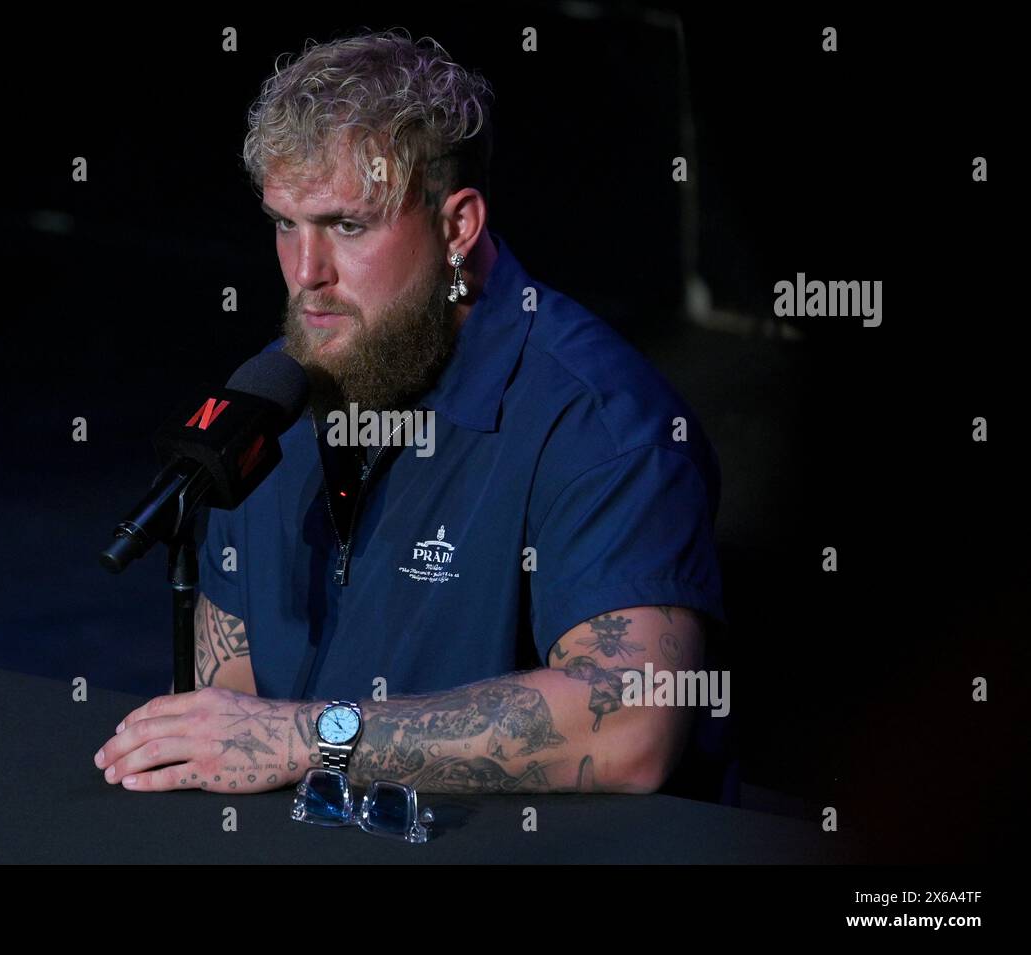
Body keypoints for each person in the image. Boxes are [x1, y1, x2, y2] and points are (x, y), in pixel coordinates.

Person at [93, 29, 728, 797]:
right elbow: (233, 701)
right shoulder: (272, 400)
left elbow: (632, 726)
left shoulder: (603, 424)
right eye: (285, 224)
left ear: (458, 226)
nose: (306, 275)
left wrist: (308, 739)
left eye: (347, 226)